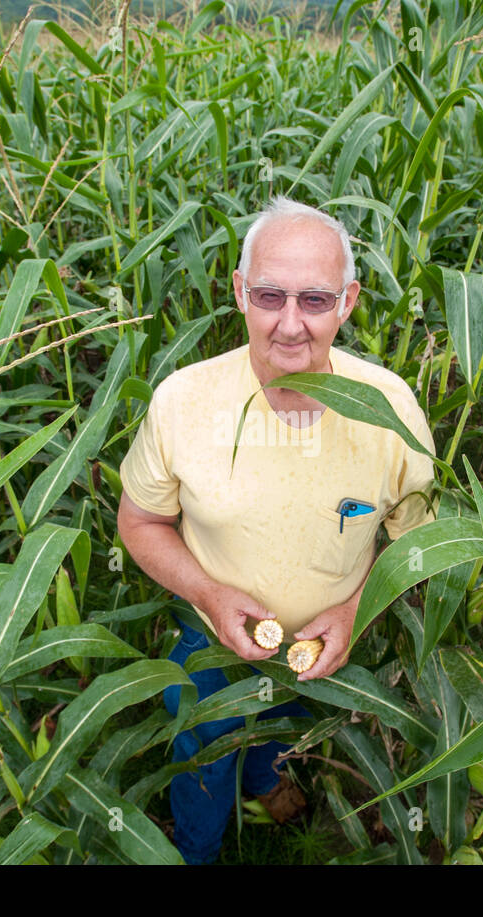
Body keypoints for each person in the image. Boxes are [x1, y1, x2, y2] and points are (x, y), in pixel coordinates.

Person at [117, 194, 437, 864]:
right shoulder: (184, 401)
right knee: (201, 762)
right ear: (239, 292)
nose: (289, 324)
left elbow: (418, 544)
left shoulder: (391, 411)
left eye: (315, 300)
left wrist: (354, 608)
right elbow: (141, 520)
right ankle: (199, 850)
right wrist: (208, 594)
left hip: (322, 655)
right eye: (269, 295)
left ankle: (264, 776)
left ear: (348, 301)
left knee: (283, 729)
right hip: (208, 646)